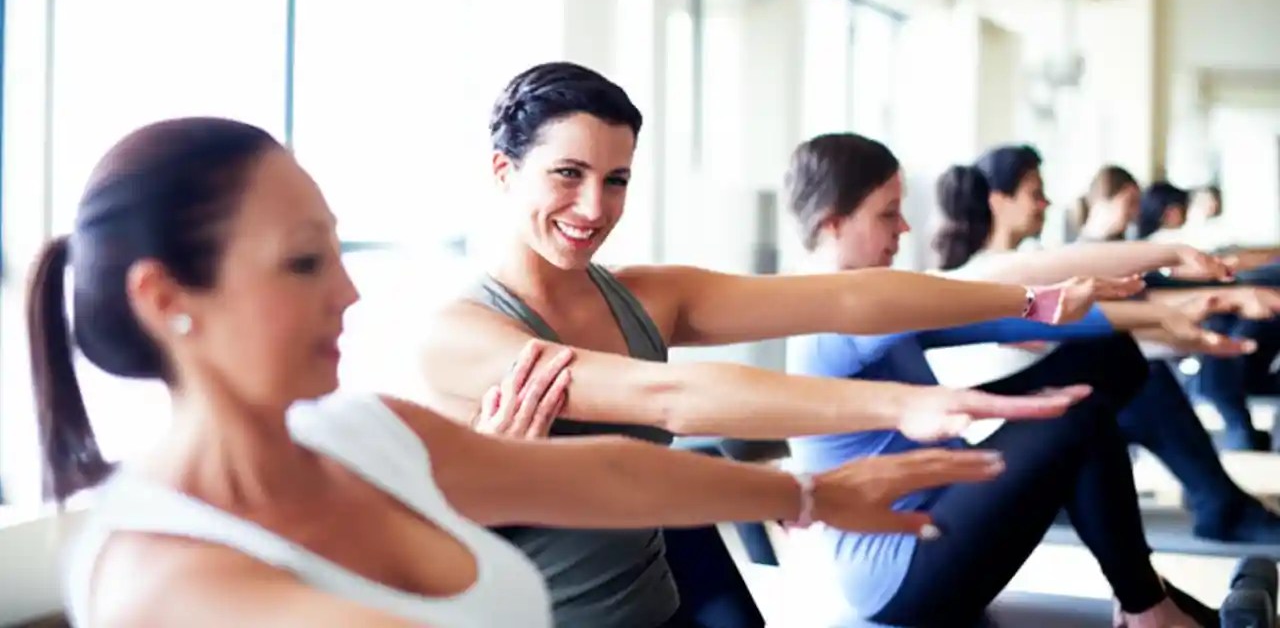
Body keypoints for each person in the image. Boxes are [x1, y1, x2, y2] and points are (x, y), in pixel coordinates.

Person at [38, 117, 1039, 628]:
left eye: (339, 253)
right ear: (167, 298)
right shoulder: (159, 575)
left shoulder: (363, 433)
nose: (346, 293)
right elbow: (664, 397)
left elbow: (613, 472)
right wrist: (896, 407)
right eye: (302, 262)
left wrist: (802, 491)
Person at [418, 62, 1130, 628]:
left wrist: (1032, 302)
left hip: (666, 608)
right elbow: (672, 399)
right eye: (567, 175)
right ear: (505, 172)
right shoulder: (466, 336)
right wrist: (895, 405)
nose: (594, 208)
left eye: (617, 180)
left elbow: (845, 295)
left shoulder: (643, 295)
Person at [781, 133, 1233, 627]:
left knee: (1096, 371)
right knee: (1076, 416)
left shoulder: (858, 301)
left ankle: (1147, 599)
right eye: (888, 213)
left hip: (937, 517)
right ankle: (1148, 607)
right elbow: (1012, 288)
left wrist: (1156, 317)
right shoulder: (840, 310)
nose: (905, 227)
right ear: (832, 222)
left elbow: (1007, 318)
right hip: (901, 572)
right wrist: (1163, 259)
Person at [934, 143, 1280, 539]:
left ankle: (1211, 506)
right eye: (1034, 192)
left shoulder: (1005, 269)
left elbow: (1100, 319)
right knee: (1131, 371)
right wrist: (1200, 296)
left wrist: (1196, 316)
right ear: (998, 201)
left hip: (1045, 442)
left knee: (1124, 366)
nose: (1046, 203)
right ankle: (1217, 504)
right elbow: (1087, 325)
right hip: (1017, 467)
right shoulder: (989, 274)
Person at [1074, 164, 1142, 242]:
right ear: (1103, 200)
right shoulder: (1079, 251)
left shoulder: (1122, 244)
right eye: (1131, 202)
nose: (1136, 212)